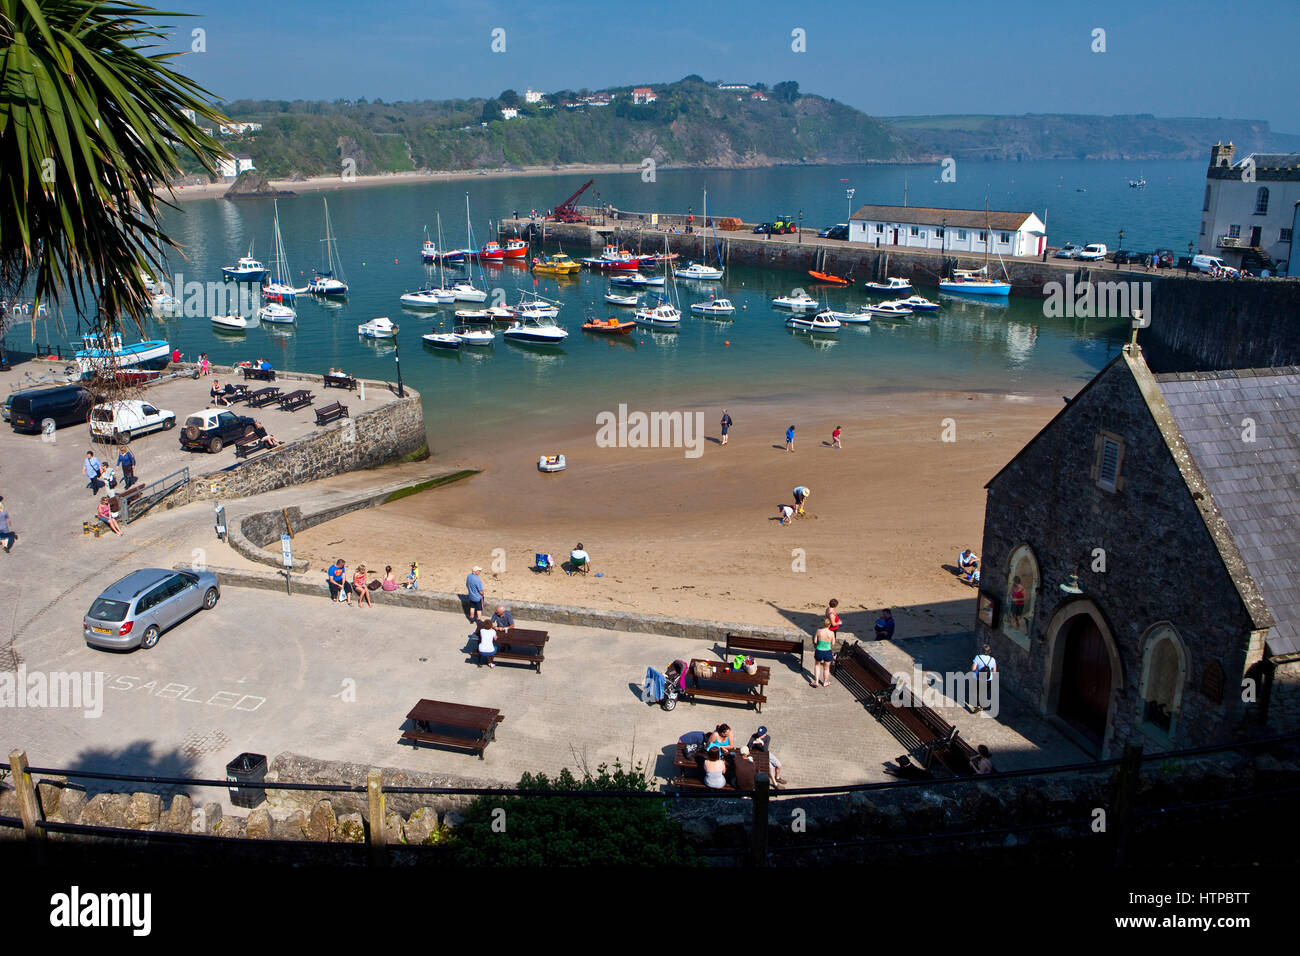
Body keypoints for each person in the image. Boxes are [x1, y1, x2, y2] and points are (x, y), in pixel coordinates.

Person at [971, 644, 997, 712]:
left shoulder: (978, 657)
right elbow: (994, 672)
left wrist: (978, 670)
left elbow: (973, 669)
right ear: (989, 651)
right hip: (988, 679)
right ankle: (982, 705)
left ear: (982, 651)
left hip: (978, 678)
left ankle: (978, 705)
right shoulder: (992, 659)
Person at [812, 617, 836, 688]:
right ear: (830, 625)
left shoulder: (818, 631)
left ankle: (816, 682)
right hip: (827, 651)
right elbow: (833, 643)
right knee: (826, 668)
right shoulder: (831, 633)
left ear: (823, 624)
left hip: (819, 650)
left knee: (817, 665)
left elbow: (815, 641)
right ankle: (825, 682)